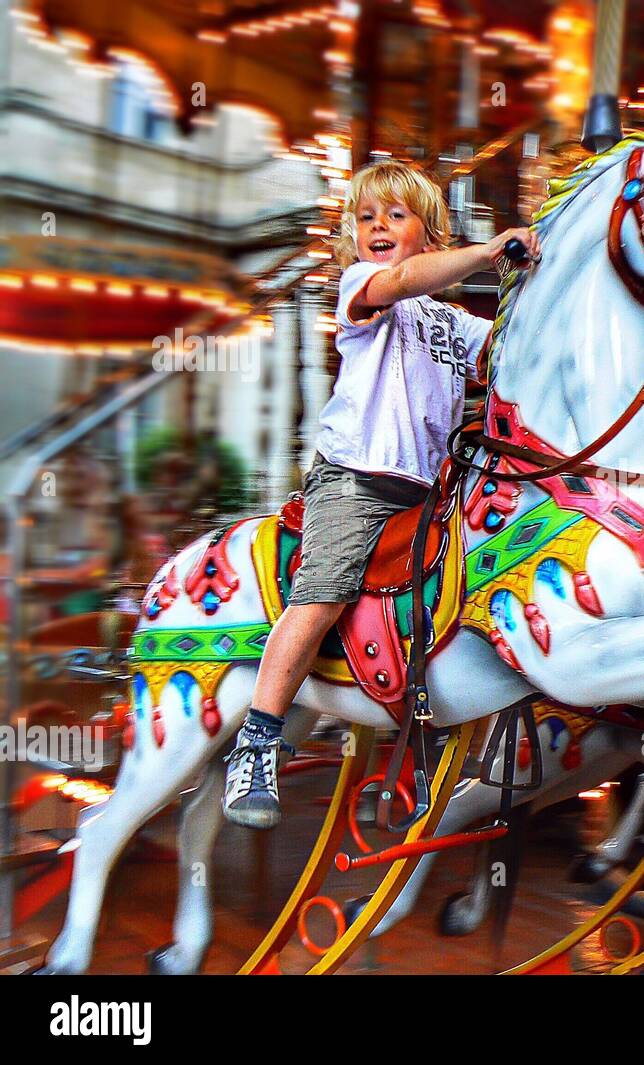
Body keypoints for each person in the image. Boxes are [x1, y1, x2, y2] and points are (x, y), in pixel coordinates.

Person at [223, 161, 540, 829]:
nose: (378, 227)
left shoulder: (453, 325)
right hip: (356, 480)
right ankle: (257, 739)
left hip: (426, 494)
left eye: (396, 216)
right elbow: (399, 282)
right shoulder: (363, 289)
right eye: (367, 217)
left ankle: (431, 725)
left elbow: (513, 352)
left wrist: (539, 277)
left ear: (429, 232)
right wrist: (486, 252)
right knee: (324, 592)